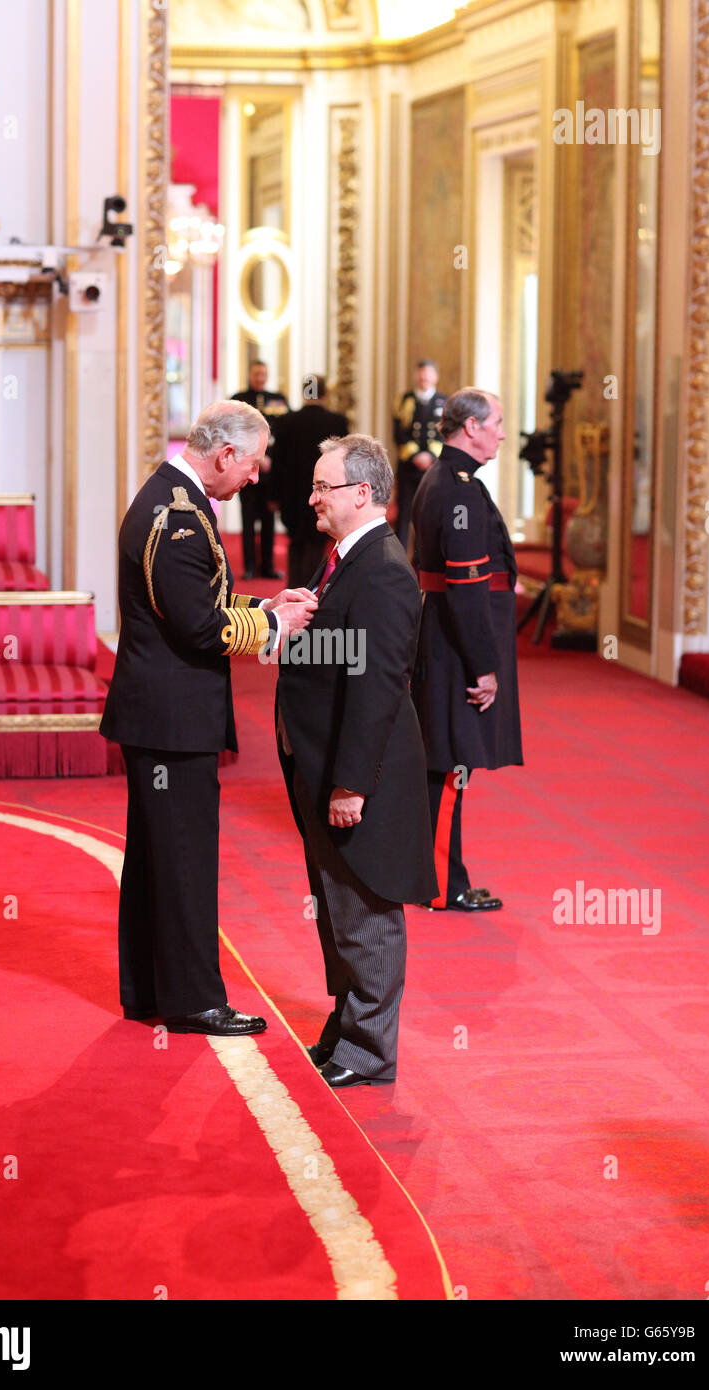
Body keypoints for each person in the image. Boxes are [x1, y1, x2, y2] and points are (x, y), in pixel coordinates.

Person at [100, 401, 317, 1035]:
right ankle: (193, 999)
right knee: (184, 859)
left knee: (156, 859)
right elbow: (200, 625)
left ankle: (149, 992)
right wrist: (276, 625)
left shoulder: (176, 500)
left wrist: (263, 603)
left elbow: (204, 597)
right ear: (225, 455)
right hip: (172, 718)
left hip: (162, 714)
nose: (254, 478)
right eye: (251, 466)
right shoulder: (181, 519)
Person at [275, 434, 437, 1088]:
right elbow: (337, 656)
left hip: (355, 776)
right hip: (319, 763)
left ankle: (370, 1052)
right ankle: (346, 1029)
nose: (311, 497)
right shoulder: (343, 558)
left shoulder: (385, 571)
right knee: (337, 904)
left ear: (362, 493)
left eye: (323, 487)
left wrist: (349, 785)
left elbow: (375, 689)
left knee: (365, 909)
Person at [411, 388, 523, 912]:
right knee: (451, 767)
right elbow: (466, 589)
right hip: (457, 650)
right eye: (497, 422)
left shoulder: (448, 479)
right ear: (471, 427)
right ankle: (441, 883)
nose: (502, 432)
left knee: (450, 767)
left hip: (444, 640)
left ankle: (446, 876)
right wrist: (485, 667)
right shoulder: (458, 491)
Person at [269, 376, 348, 588]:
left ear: (305, 392)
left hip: (291, 495)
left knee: (295, 543)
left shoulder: (287, 421)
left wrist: (274, 495)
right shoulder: (337, 422)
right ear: (325, 394)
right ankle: (313, 591)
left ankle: (294, 588)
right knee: (317, 542)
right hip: (325, 492)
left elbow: (277, 461)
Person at [231, 360, 289, 578]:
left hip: (271, 476)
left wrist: (272, 459)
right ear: (249, 374)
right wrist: (257, 458)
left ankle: (268, 566)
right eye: (256, 373)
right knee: (247, 521)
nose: (260, 377)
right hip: (245, 471)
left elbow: (284, 433)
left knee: (268, 522)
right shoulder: (238, 400)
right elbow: (234, 434)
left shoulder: (278, 400)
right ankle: (249, 567)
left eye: (263, 374)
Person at [392, 359, 448, 552]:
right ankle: (398, 560)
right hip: (408, 466)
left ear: (436, 377)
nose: (424, 377)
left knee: (427, 515)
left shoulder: (444, 402)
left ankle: (422, 559)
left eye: (428, 373)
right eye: (420, 373)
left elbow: (446, 434)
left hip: (431, 468)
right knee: (404, 515)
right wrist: (415, 455)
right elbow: (398, 432)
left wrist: (430, 456)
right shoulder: (404, 400)